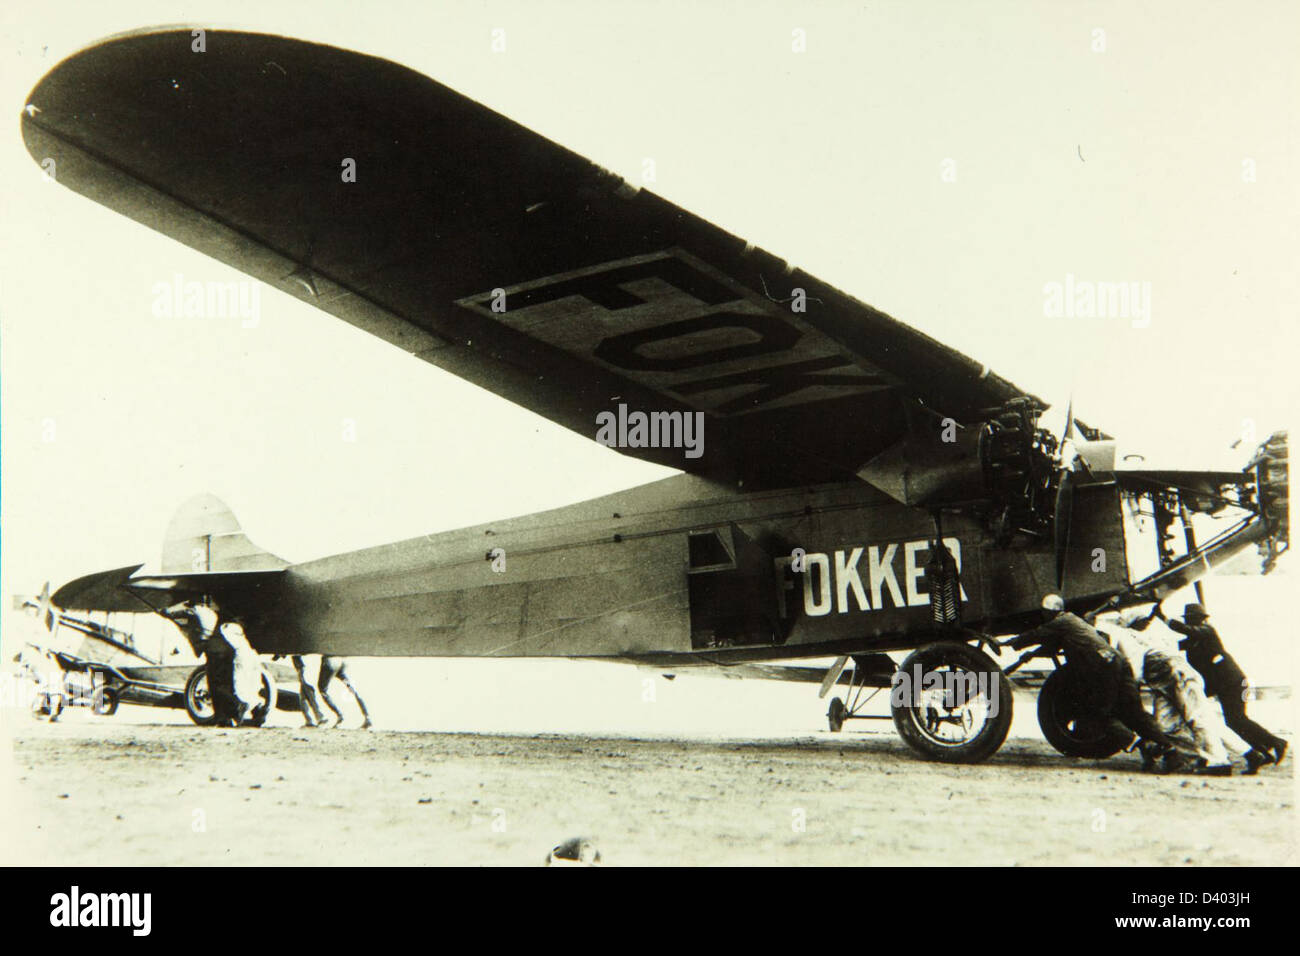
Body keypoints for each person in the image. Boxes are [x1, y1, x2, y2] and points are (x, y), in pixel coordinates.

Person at [1003, 594, 1183, 771]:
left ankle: (1143, 746)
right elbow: (1052, 645)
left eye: (1044, 612)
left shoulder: (1060, 622)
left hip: (1102, 669)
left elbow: (1038, 634)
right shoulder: (1074, 622)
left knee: (1097, 715)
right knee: (1134, 713)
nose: (1043, 616)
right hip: (1119, 664)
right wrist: (1030, 655)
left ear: (1048, 612)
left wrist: (1011, 642)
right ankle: (1170, 751)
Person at [1155, 602, 1286, 774]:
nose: (1191, 623)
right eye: (1190, 620)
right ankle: (1260, 752)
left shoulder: (1207, 631)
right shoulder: (1194, 640)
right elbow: (1171, 646)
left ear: (1200, 620)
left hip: (1233, 683)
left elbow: (1185, 630)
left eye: (1193, 619)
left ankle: (1274, 743)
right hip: (1223, 685)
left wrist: (1163, 618)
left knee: (1237, 720)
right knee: (1234, 721)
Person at [1106, 609, 1237, 775]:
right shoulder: (1152, 635)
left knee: (1196, 717)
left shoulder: (1126, 635)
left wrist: (1132, 686)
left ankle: (1219, 762)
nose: (1147, 622)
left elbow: (1134, 663)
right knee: (1165, 726)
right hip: (1163, 679)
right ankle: (1195, 756)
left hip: (1173, 674)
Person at [317, 656, 373, 729]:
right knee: (351, 688)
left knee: (322, 690)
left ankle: (340, 716)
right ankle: (367, 717)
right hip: (342, 661)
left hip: (330, 661)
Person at [290, 654, 329, 728]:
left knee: (308, 693)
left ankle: (320, 717)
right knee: (303, 696)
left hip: (302, 669)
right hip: (301, 669)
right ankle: (310, 719)